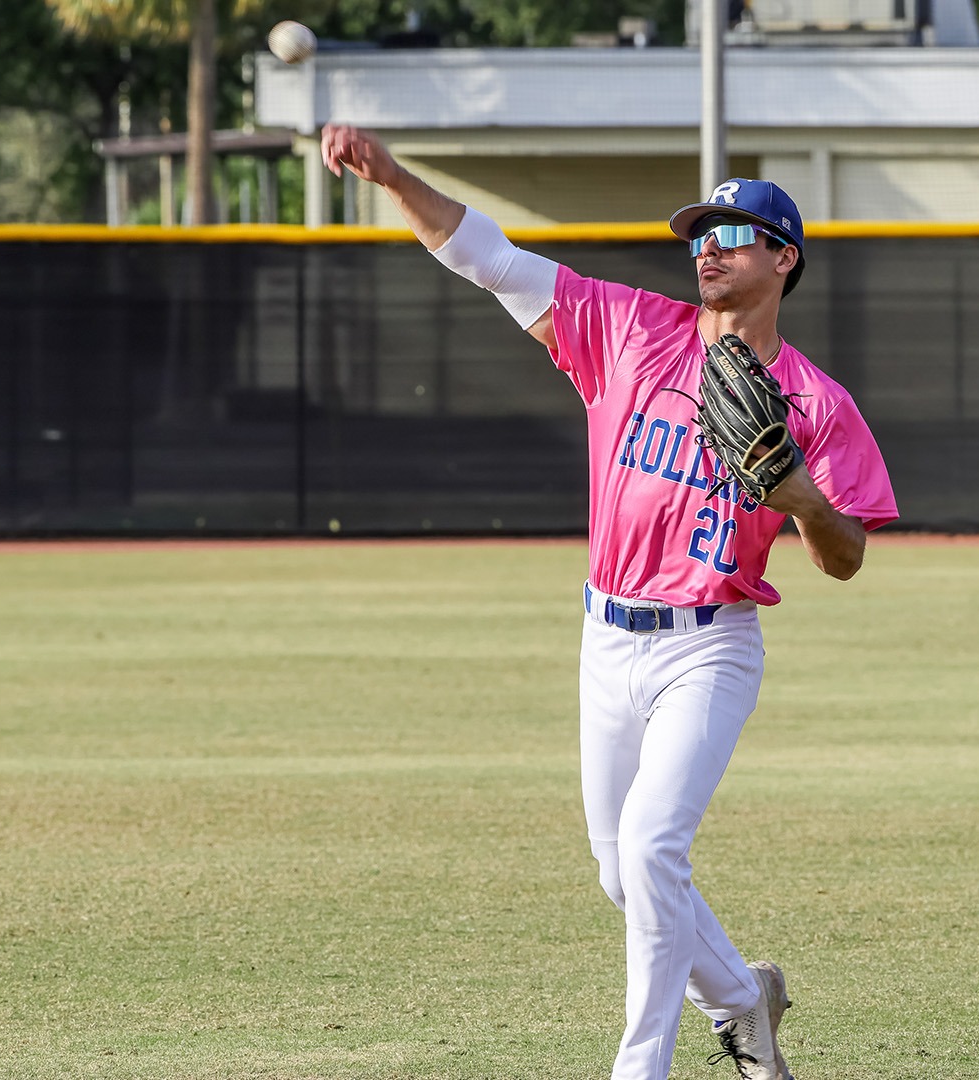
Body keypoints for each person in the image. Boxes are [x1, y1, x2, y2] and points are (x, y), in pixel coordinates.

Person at [320, 124, 898, 1080]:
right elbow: (491, 261)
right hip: (605, 635)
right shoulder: (630, 329)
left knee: (650, 847)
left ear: (784, 259)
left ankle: (642, 1070)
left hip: (709, 647)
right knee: (620, 872)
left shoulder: (816, 404)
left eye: (734, 233)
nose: (708, 247)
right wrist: (391, 177)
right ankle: (746, 1000)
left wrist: (798, 496)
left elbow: (845, 558)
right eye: (701, 234)